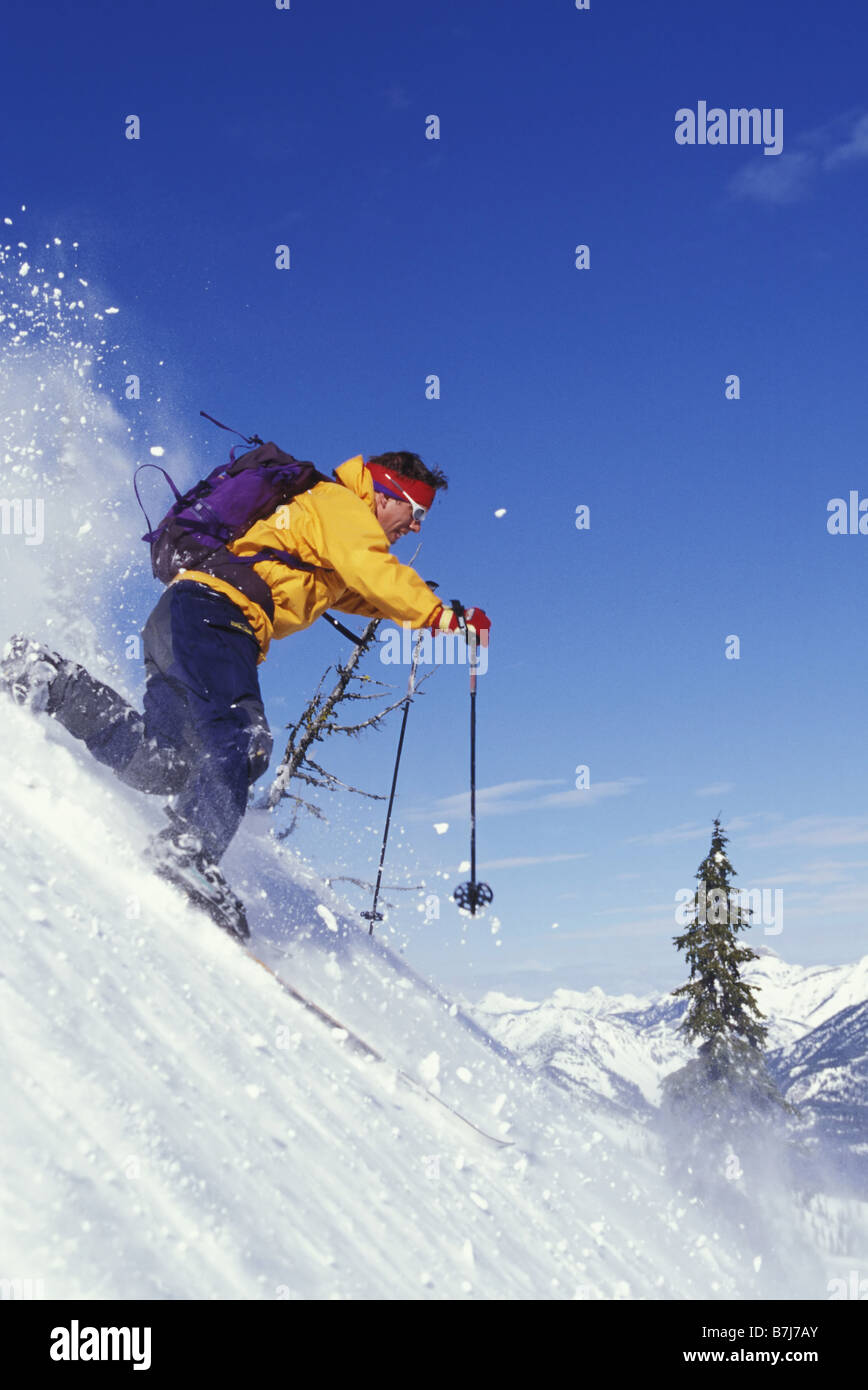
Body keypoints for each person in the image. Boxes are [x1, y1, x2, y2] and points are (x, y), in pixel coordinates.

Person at [0, 450, 491, 936]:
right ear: (386, 494)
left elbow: (363, 591)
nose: (416, 527)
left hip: (179, 620)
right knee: (243, 739)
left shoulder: (323, 533)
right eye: (417, 512)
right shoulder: (340, 504)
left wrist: (434, 614)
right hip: (215, 616)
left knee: (168, 763)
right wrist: (440, 616)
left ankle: (55, 681)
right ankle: (186, 851)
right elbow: (373, 569)